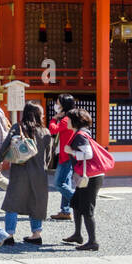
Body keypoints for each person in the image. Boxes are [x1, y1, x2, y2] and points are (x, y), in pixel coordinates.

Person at [0, 101, 51, 246]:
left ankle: (9, 234)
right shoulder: (45, 132)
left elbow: (6, 144)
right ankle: (36, 234)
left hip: (20, 171)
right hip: (39, 172)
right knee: (36, 201)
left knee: (12, 202)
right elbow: (49, 156)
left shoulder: (18, 127)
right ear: (39, 115)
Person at [63, 108, 103, 251]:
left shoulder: (80, 135)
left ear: (75, 121)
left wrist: (71, 151)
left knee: (87, 209)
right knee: (75, 203)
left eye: (68, 119)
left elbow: (88, 154)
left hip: (90, 177)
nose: (66, 121)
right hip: (89, 176)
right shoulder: (82, 133)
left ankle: (93, 241)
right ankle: (77, 234)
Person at [49, 93, 77, 222]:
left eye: (58, 102)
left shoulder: (66, 119)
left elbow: (53, 130)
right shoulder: (70, 117)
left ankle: (78, 200)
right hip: (68, 154)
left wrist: (54, 118)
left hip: (66, 156)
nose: (56, 105)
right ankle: (65, 211)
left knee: (58, 183)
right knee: (66, 182)